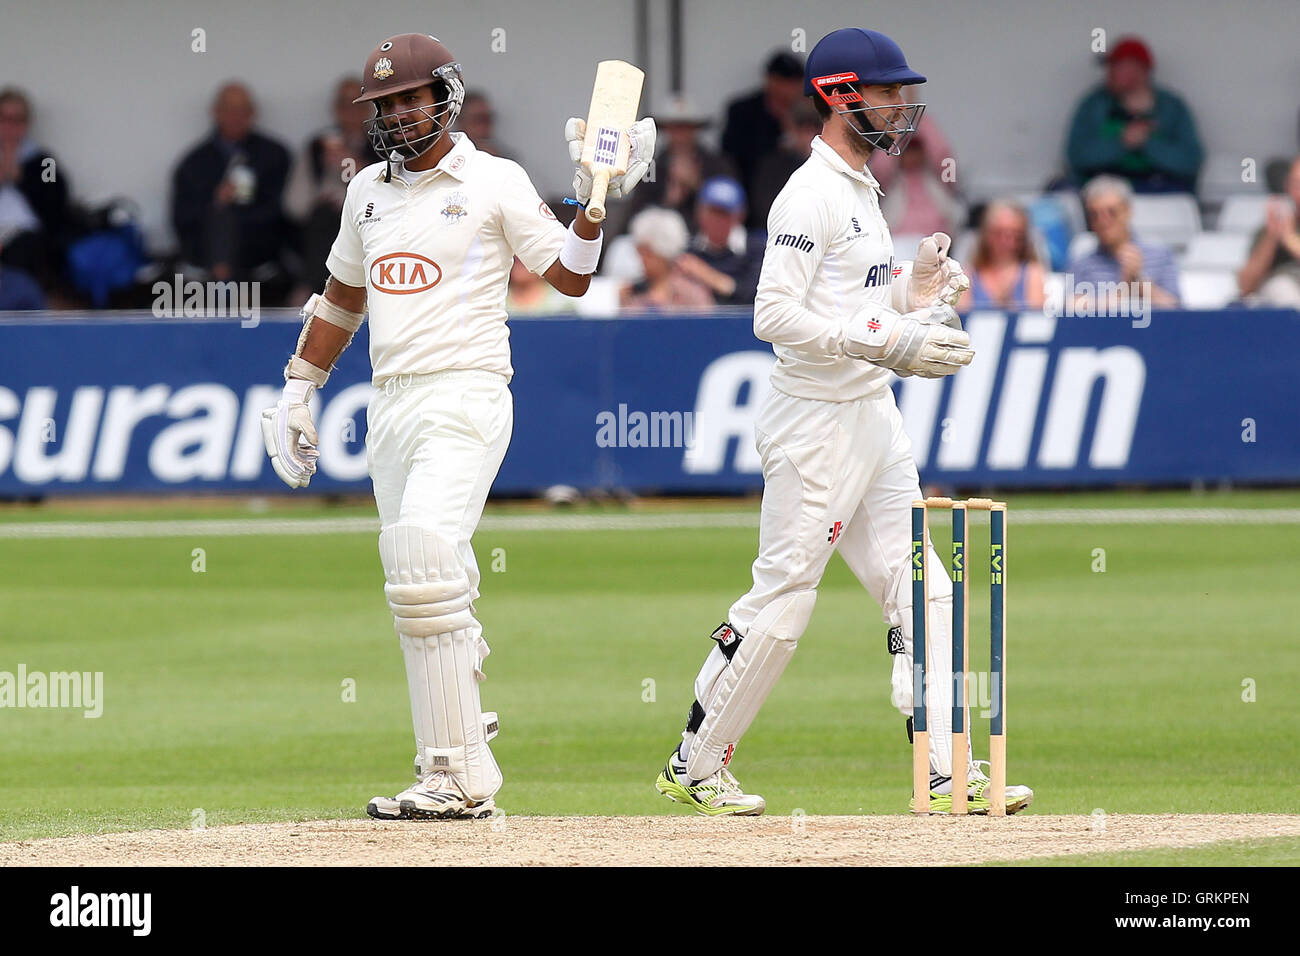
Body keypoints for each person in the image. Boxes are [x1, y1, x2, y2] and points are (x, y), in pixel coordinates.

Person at [260, 33, 654, 821]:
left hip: (468, 393)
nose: (400, 115)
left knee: (423, 560)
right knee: (419, 580)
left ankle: (454, 777)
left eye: (411, 98)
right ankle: (461, 734)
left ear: (446, 95)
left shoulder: (495, 180)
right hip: (391, 403)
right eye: (385, 105)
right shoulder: (367, 189)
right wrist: (299, 386)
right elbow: (342, 297)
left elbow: (572, 277)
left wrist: (595, 199)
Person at [653, 27, 1033, 817]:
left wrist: (911, 288)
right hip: (814, 423)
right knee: (785, 601)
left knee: (924, 585)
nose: (901, 107)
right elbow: (773, 314)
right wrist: (889, 337)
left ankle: (943, 767)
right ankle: (695, 764)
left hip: (869, 411)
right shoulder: (809, 192)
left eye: (902, 93)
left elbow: (853, 301)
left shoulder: (863, 186)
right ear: (837, 96)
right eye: (887, 93)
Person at [171, 83, 292, 287]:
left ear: (253, 113)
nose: (236, 116)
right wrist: (216, 201)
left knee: (230, 223)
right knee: (220, 219)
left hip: (258, 247)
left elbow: (283, 210)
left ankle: (223, 283)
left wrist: (240, 213)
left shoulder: (274, 154)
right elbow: (181, 218)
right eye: (229, 109)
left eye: (242, 110)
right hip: (204, 250)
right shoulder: (194, 162)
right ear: (216, 112)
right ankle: (223, 279)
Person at [286, 77, 384, 297]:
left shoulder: (384, 143)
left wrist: (354, 166)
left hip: (371, 223)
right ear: (334, 109)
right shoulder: (317, 146)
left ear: (369, 108)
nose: (350, 110)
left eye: (356, 103)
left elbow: (393, 196)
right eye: (343, 103)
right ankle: (316, 292)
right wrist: (322, 196)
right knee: (325, 217)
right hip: (322, 227)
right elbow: (295, 205)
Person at [1065, 36, 1202, 193]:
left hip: (1158, 192)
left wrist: (1147, 143)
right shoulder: (1093, 105)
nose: (1109, 73)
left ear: (1140, 70)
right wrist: (1122, 142)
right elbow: (1076, 156)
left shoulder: (1172, 108)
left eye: (1116, 66)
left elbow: (1190, 162)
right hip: (1103, 195)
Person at [0, 88, 72, 295]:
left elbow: (54, 208)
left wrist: (21, 179)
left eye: (18, 120)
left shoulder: (42, 162)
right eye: (4, 119)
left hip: (25, 237)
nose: (10, 127)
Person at [721, 51, 805, 226]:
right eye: (782, 81)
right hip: (750, 202)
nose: (788, 88)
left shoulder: (810, 113)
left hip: (797, 203)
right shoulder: (743, 112)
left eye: (794, 82)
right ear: (769, 80)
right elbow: (731, 155)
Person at [1070, 174, 1180, 309]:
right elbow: (1071, 308)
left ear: (1128, 211)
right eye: (1094, 215)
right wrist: (1124, 288)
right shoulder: (1082, 262)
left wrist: (1138, 281)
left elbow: (1177, 309)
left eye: (1112, 212)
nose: (1103, 221)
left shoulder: (1160, 254)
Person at [677, 176, 765, 305]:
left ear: (740, 215)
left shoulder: (757, 248)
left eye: (725, 213)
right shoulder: (689, 250)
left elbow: (756, 294)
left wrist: (705, 274)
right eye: (712, 212)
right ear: (699, 213)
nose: (717, 220)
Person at [957, 201, 1046, 311]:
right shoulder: (967, 275)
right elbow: (960, 319)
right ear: (986, 234)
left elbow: (1036, 319)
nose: (1006, 241)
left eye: (1015, 235)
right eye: (999, 233)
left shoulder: (1032, 273)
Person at [619, 207, 714, 310]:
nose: (641, 259)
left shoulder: (692, 293)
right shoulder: (632, 293)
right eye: (640, 252)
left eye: (647, 253)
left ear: (663, 253)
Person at [1238, 155, 1300, 306]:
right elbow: (1245, 287)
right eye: (1296, 184)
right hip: (1282, 301)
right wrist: (1271, 238)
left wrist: (1289, 239)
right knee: (1281, 289)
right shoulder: (1271, 229)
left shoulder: (1288, 233)